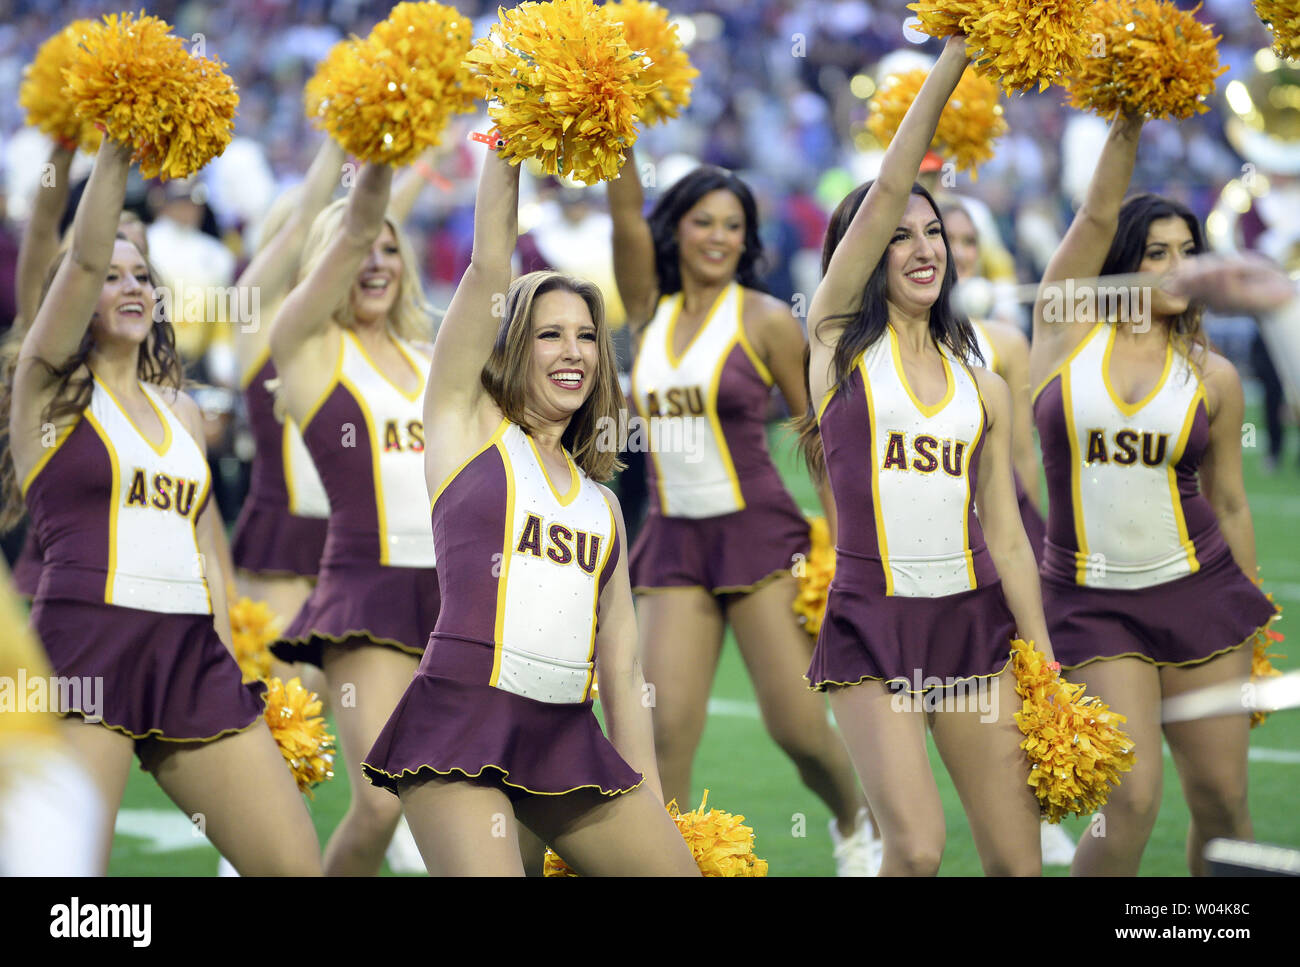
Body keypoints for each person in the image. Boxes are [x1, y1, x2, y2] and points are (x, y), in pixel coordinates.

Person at [362, 147, 698, 877]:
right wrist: (512, 144)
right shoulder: (467, 428)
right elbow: (490, 266)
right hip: (462, 719)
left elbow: (622, 665)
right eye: (550, 333)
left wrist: (653, 804)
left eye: (586, 336)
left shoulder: (605, 505)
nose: (573, 351)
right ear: (513, 344)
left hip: (564, 735)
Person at [0, 137, 321, 875]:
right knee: (62, 884)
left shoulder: (180, 410)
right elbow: (74, 258)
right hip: (88, 645)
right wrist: (116, 148)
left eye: (142, 274)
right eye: (111, 278)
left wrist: (231, 646)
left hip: (190, 654)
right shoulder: (45, 389)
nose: (131, 285)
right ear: (73, 299)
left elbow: (204, 542)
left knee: (296, 865)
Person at [798, 37, 1051, 876]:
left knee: (1018, 861)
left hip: (974, 621)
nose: (923, 247)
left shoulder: (984, 386)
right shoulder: (839, 346)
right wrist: (952, 61)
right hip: (874, 624)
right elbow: (891, 186)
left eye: (934, 233)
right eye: (899, 235)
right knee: (915, 848)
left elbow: (1010, 537)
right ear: (867, 255)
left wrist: (1044, 659)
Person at [607, 144, 876, 874]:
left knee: (796, 726)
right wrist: (612, 122)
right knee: (662, 733)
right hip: (670, 542)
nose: (720, 237)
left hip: (761, 537)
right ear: (677, 231)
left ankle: (857, 820)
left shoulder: (763, 320)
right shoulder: (646, 311)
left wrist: (849, 550)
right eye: (704, 221)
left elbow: (817, 438)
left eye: (734, 225)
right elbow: (625, 211)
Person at [1029, 113, 1278, 877]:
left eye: (1186, 253)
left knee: (1223, 802)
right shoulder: (1066, 327)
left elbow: (1230, 503)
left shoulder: (1214, 376)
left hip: (1201, 593)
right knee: (1131, 800)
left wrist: (1252, 618)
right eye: (1154, 252)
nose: (1174, 267)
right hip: (1092, 602)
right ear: (1119, 263)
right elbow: (1096, 211)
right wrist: (1130, 117)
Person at [267, 162, 438, 876]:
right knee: (379, 802)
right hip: (367, 588)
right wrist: (378, 158)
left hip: (459, 590)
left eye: (391, 249)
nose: (376, 262)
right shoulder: (308, 350)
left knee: (485, 790)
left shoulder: (434, 357)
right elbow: (347, 241)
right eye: (361, 247)